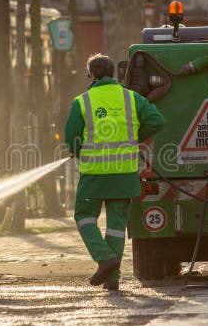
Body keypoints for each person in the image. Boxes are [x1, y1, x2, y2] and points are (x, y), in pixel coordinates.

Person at [65, 54, 165, 291]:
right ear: (114, 74)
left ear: (91, 75)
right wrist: (135, 140)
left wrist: (79, 150)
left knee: (84, 217)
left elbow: (72, 138)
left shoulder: (82, 102)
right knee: (116, 226)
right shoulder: (132, 98)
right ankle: (112, 279)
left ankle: (104, 258)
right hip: (124, 173)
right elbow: (157, 120)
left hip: (94, 175)